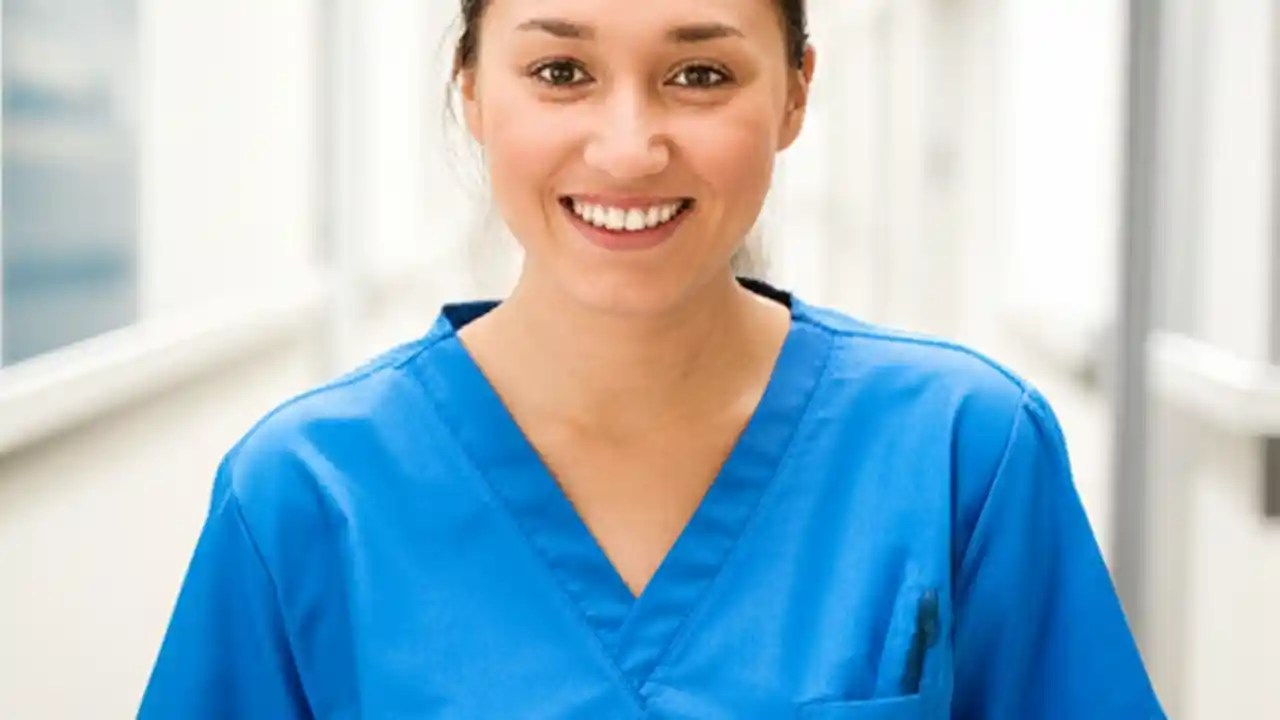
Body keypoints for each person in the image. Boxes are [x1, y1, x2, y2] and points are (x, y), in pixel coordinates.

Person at [140, 0, 1167, 717]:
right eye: (560, 73)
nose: (628, 148)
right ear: (472, 90)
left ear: (795, 94)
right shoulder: (307, 493)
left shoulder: (959, 451)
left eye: (699, 75)